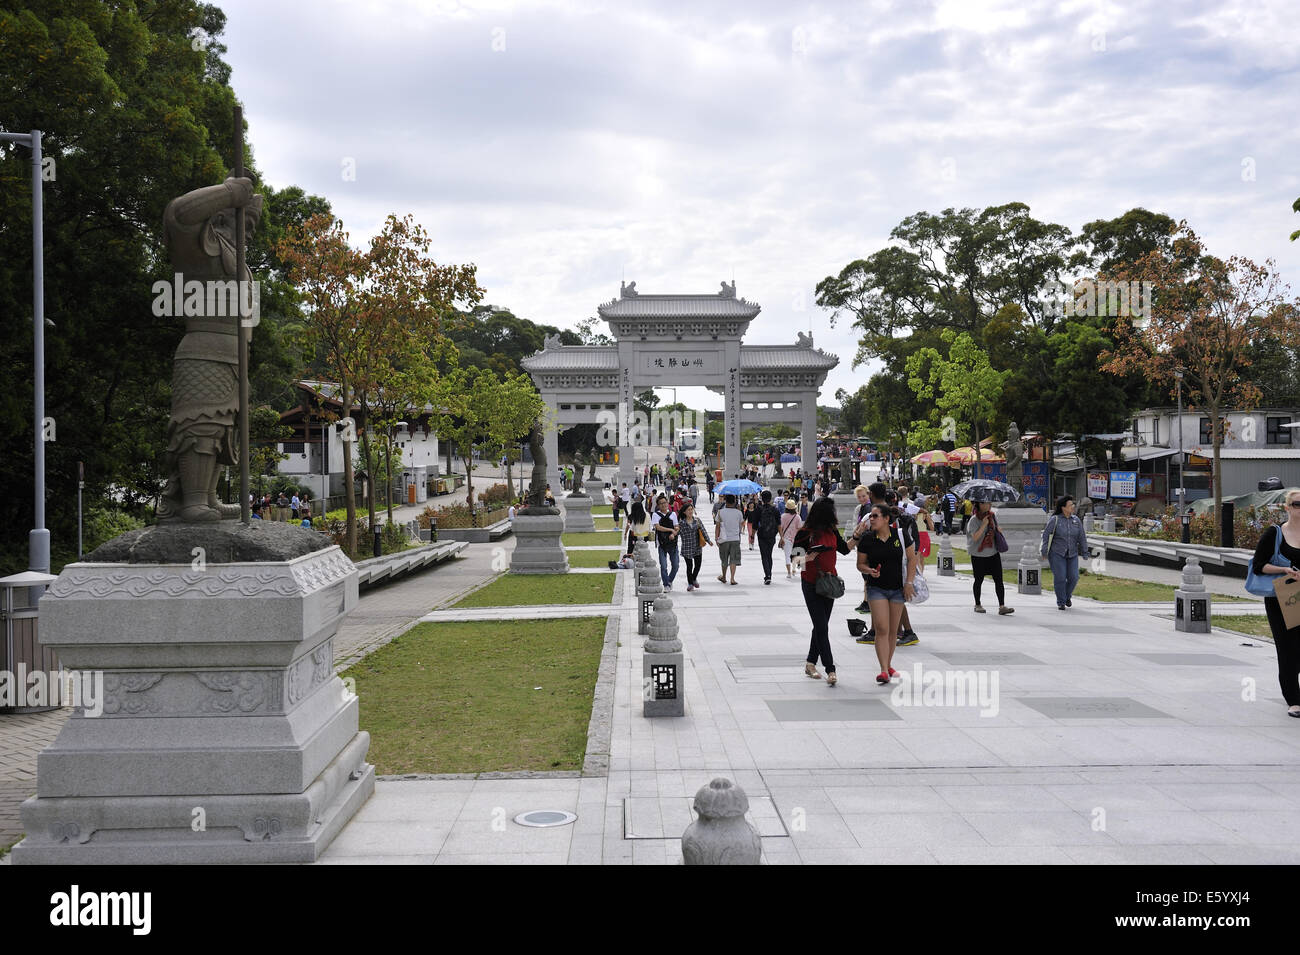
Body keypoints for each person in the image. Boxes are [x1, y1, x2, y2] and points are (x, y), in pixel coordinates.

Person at [1251, 488, 1300, 717]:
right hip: (1282, 596)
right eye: (1297, 504)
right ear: (1287, 507)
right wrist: (1283, 569)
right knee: (1287, 648)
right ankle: (1293, 699)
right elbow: (1259, 564)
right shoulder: (1275, 533)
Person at [857, 503, 918, 685]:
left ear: (886, 519)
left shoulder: (900, 535)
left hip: (898, 588)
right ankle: (884, 670)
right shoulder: (867, 538)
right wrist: (869, 570)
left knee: (892, 631)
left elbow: (912, 559)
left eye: (875, 516)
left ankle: (888, 664)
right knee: (882, 629)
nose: (872, 519)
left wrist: (909, 583)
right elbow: (860, 564)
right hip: (876, 588)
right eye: (870, 517)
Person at [795, 497, 851, 687]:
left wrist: (857, 536)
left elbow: (845, 550)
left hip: (829, 583)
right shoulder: (805, 533)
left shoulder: (832, 531)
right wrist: (809, 557)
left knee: (820, 625)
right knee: (821, 626)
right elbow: (795, 561)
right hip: (811, 583)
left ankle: (810, 663)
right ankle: (830, 668)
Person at [1042, 495, 1089, 610]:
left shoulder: (1076, 520)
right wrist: (1044, 551)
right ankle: (1061, 601)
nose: (1073, 506)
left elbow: (1082, 537)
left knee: (1074, 577)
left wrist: (1085, 551)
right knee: (1061, 578)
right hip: (1057, 553)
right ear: (1063, 507)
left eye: (1073, 504)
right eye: (1070, 505)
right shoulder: (1055, 520)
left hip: (1072, 553)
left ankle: (1067, 596)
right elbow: (1046, 536)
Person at [967, 500, 1014, 615]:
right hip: (978, 554)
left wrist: (997, 530)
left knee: (999, 580)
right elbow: (975, 537)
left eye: (989, 503)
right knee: (979, 580)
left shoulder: (992, 517)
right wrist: (983, 525)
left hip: (993, 552)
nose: (989, 505)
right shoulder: (973, 520)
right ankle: (977, 604)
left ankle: (1002, 606)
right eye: (986, 503)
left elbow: (994, 531)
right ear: (980, 505)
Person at [678, 502, 712, 592]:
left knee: (698, 565)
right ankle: (690, 583)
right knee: (689, 566)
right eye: (688, 510)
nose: (690, 511)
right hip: (687, 547)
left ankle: (694, 578)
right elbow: (677, 533)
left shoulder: (697, 520)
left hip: (697, 546)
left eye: (691, 509)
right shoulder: (681, 523)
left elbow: (703, 531)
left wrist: (708, 541)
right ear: (684, 512)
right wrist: (672, 537)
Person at [714, 494, 744, 585]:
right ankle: (732, 579)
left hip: (724, 539)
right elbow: (742, 524)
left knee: (724, 559)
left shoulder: (720, 512)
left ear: (725, 501)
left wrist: (716, 538)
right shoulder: (738, 512)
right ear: (734, 501)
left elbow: (717, 527)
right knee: (733, 559)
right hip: (735, 538)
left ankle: (723, 576)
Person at [754, 489, 782, 585]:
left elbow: (754, 524)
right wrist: (781, 537)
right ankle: (769, 574)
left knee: (764, 555)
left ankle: (768, 575)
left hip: (761, 535)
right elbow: (779, 524)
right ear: (770, 499)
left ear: (762, 498)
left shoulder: (758, 509)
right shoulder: (775, 509)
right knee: (769, 555)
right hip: (772, 535)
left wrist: (752, 535)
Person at [654, 496, 681, 590]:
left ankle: (669, 580)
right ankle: (666, 585)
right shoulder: (656, 515)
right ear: (658, 505)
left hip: (672, 543)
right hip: (661, 544)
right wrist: (671, 530)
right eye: (661, 503)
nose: (664, 505)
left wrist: (674, 533)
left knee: (676, 565)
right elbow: (658, 527)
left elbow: (677, 527)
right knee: (663, 565)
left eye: (665, 502)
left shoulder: (673, 514)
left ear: (668, 503)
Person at [778, 496, 803, 578]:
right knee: (795, 555)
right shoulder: (797, 517)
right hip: (795, 538)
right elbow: (799, 528)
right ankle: (794, 569)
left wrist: (781, 537)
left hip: (786, 538)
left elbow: (780, 528)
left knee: (787, 556)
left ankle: (789, 573)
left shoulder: (783, 516)